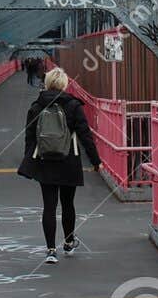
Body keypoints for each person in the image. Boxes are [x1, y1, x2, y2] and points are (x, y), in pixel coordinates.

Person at [17, 66, 101, 264]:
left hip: (45, 161)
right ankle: (69, 241)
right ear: (64, 84)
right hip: (68, 160)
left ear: (47, 84)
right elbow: (85, 135)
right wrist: (96, 160)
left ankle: (50, 250)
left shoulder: (36, 106)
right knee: (67, 204)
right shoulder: (73, 105)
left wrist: (29, 160)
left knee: (49, 206)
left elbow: (30, 137)